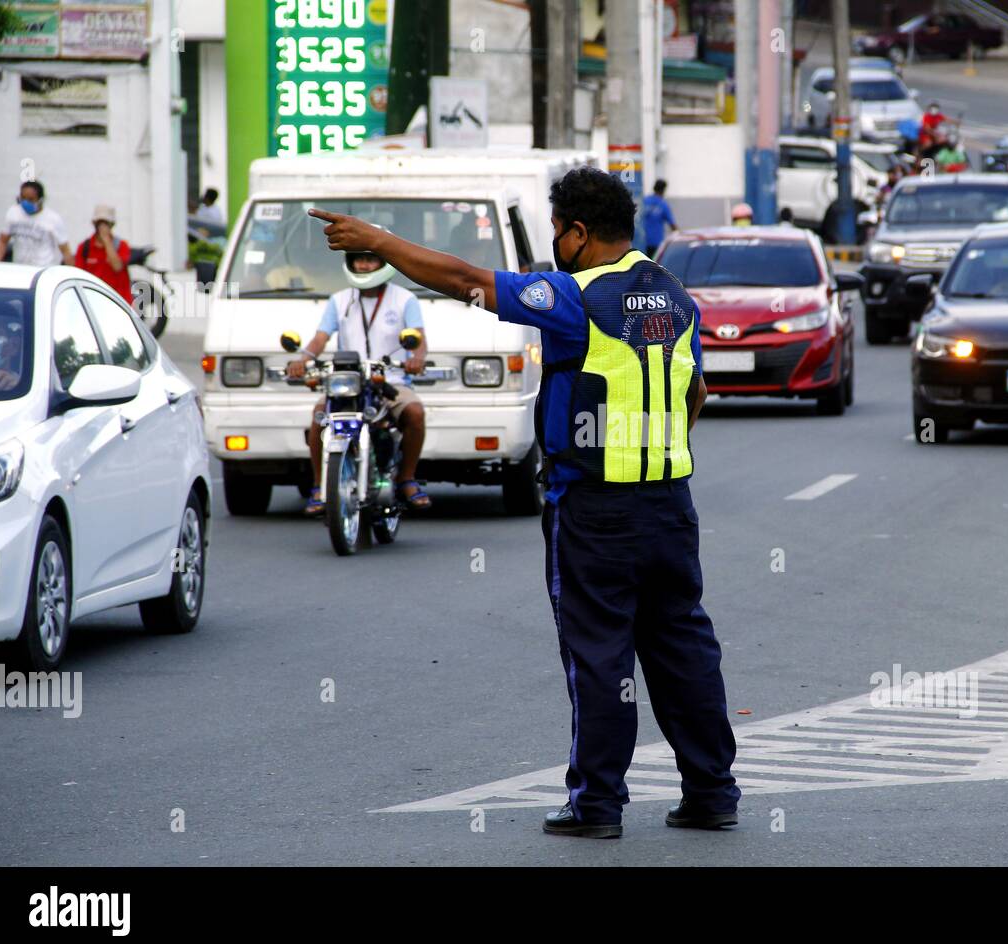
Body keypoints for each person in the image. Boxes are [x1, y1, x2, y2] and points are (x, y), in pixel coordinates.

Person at [308, 167, 741, 839]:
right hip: (669, 508)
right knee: (684, 647)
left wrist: (378, 239)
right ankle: (713, 793)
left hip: (594, 512)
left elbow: (465, 281)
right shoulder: (676, 298)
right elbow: (695, 397)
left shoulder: (576, 297)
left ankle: (596, 806)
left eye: (557, 234)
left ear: (577, 232)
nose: (554, 248)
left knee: (599, 656)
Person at [286, 246, 431, 515]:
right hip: (349, 379)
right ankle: (319, 486)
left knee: (415, 413)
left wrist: (417, 358)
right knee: (320, 414)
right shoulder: (339, 300)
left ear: (384, 262)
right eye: (359, 259)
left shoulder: (404, 299)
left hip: (391, 379)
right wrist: (302, 359)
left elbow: (419, 340)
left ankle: (407, 478)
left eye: (370, 259)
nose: (363, 265)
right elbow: (320, 338)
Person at [0, 181, 71, 267]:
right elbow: (3, 241)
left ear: (40, 200)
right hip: (20, 268)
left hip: (43, 269)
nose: (26, 202)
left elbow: (65, 250)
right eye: (23, 198)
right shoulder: (14, 213)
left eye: (31, 199)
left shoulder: (53, 219)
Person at [73, 205, 133, 301]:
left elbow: (117, 267)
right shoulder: (84, 247)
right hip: (94, 300)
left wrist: (107, 242)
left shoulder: (122, 245)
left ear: (111, 225)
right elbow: (79, 275)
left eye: (106, 223)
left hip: (119, 300)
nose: (102, 227)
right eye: (99, 223)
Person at [641, 179, 676, 257]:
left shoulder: (644, 201)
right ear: (663, 190)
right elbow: (672, 224)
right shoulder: (663, 204)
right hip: (657, 243)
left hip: (642, 242)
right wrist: (679, 235)